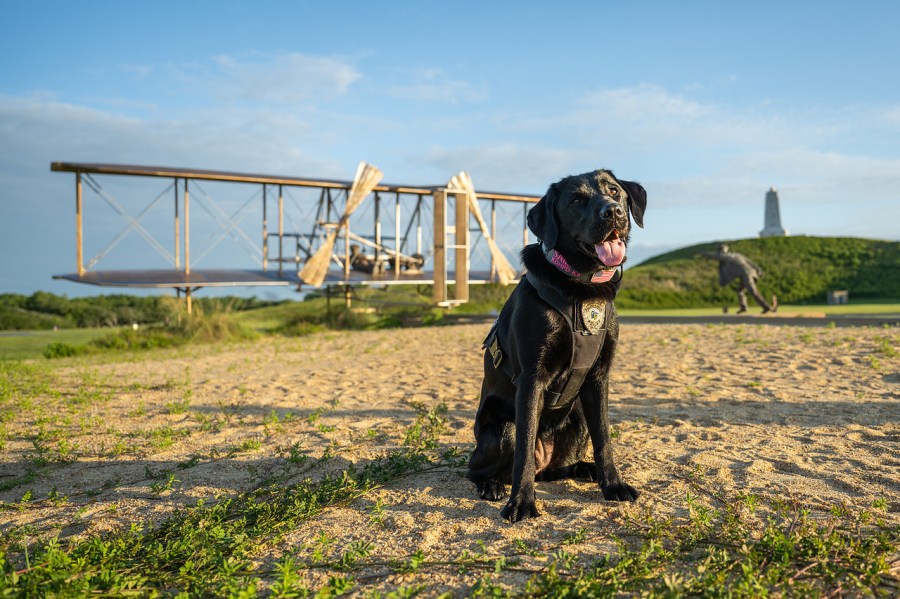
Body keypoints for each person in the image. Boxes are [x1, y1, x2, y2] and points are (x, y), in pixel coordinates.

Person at [705, 244, 777, 314]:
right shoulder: (737, 255)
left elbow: (713, 256)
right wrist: (758, 270)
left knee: (753, 292)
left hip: (747, 274)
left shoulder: (726, 256)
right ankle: (743, 307)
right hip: (750, 273)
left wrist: (701, 253)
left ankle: (767, 307)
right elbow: (749, 262)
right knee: (740, 291)